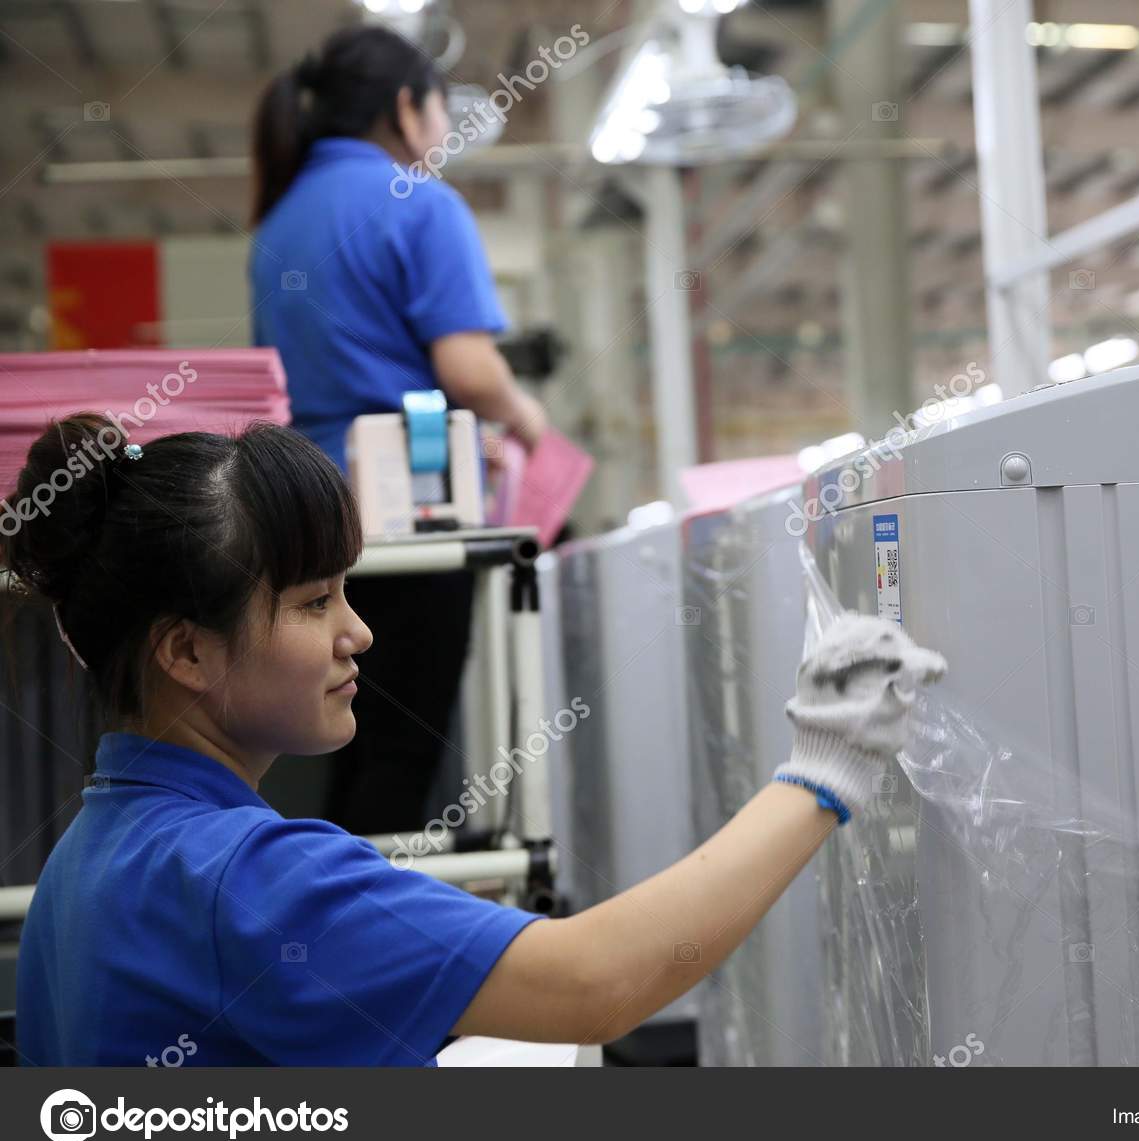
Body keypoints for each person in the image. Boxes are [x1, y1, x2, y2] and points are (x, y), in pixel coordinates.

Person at [5, 417, 945, 1065]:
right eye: (312, 601)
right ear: (186, 650)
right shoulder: (239, 878)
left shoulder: (89, 862)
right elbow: (595, 979)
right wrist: (824, 766)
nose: (358, 632)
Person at [248, 25, 549, 834]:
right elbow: (469, 370)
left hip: (305, 511)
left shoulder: (276, 224)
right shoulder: (419, 204)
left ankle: (327, 929)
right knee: (404, 754)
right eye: (442, 113)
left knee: (347, 741)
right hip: (412, 511)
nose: (445, 137)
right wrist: (527, 417)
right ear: (407, 107)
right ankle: (374, 944)